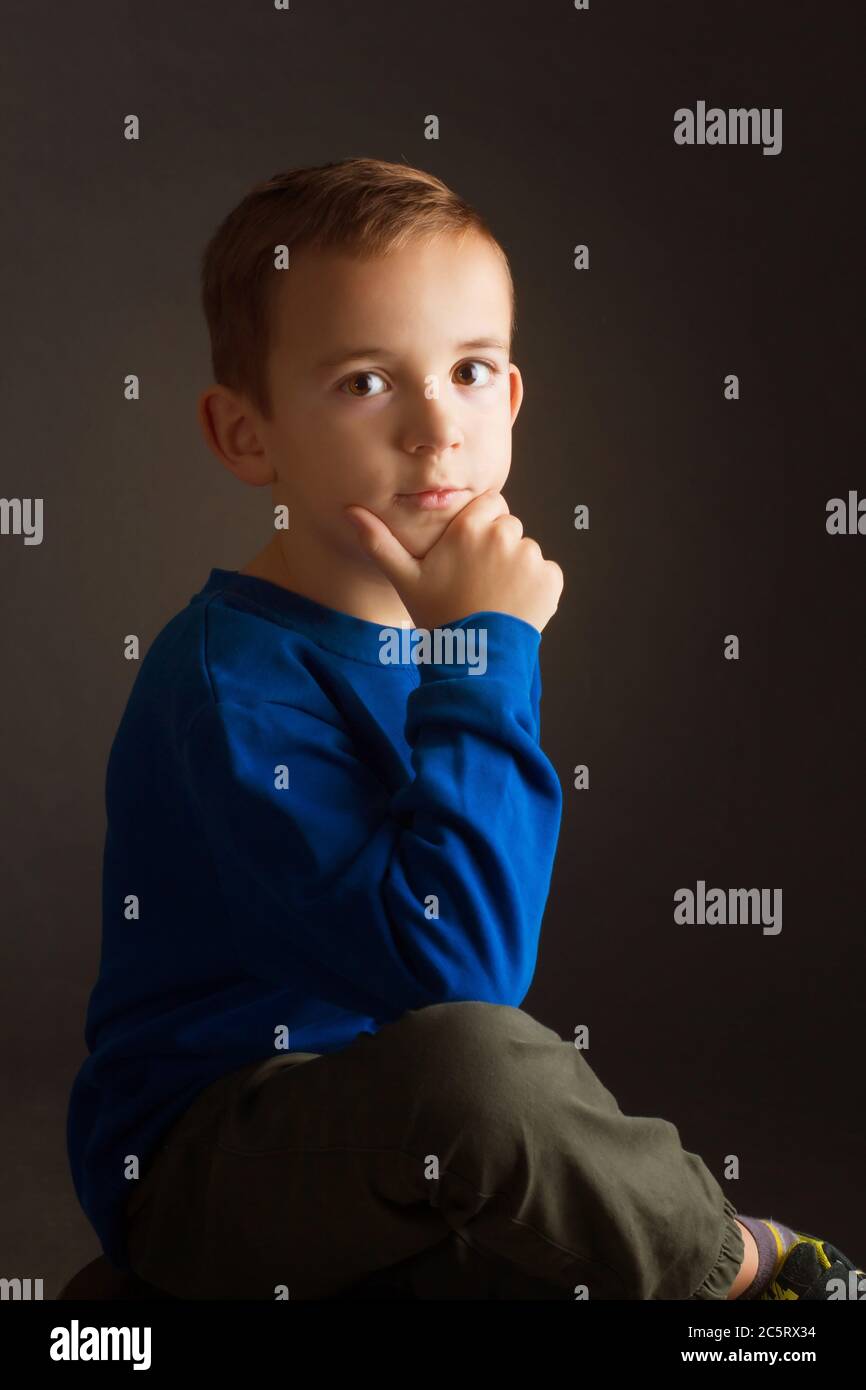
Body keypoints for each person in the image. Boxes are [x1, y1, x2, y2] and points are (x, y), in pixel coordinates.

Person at [66, 157, 863, 1301]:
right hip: (212, 1169)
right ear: (248, 435)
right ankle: (742, 1265)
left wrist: (463, 646)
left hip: (387, 1141)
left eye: (469, 370)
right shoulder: (226, 684)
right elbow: (461, 973)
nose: (435, 428)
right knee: (482, 1068)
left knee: (510, 1126)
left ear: (512, 399)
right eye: (361, 383)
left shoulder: (436, 628)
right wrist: (486, 649)